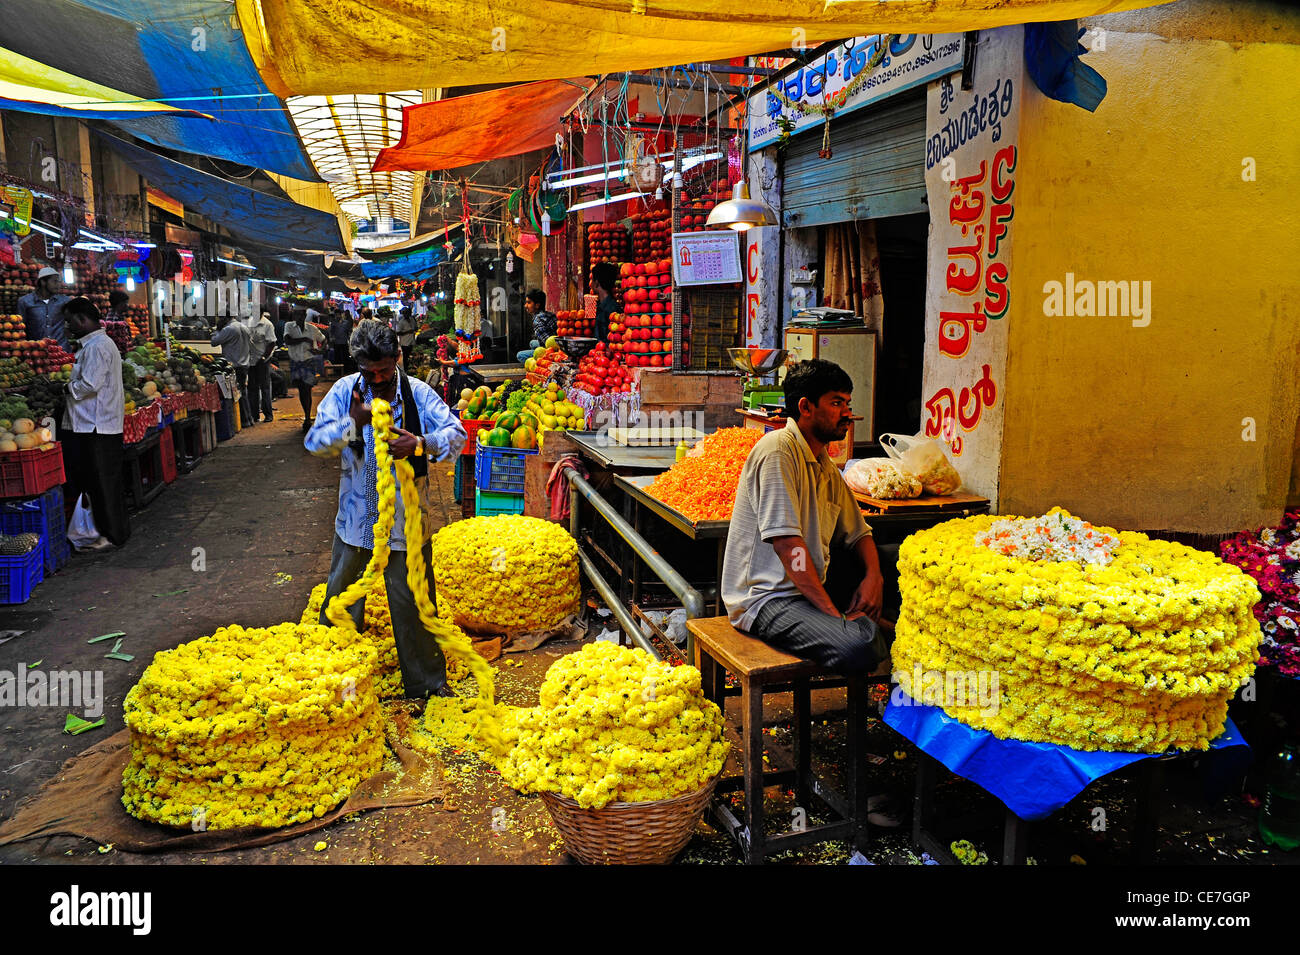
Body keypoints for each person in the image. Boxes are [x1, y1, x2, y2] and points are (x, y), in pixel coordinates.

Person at [306, 320, 467, 702]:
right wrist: (351, 424)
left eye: (384, 371)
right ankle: (332, 677)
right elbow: (314, 442)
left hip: (406, 526)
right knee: (340, 601)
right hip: (356, 523)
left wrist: (421, 442)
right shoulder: (345, 392)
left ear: (397, 358)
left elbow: (457, 435)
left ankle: (426, 683)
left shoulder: (419, 394)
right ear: (358, 364)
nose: (378, 379)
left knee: (414, 605)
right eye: (369, 372)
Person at [721, 359, 889, 673]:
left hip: (810, 586)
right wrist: (829, 613)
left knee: (896, 561)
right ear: (806, 407)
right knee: (858, 646)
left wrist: (873, 579)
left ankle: (872, 625)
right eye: (836, 403)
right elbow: (789, 547)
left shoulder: (823, 462)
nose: (847, 413)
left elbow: (859, 533)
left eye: (847, 403)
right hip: (769, 599)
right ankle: (869, 630)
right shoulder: (778, 452)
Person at [61, 298, 128, 549]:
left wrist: (66, 388)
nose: (68, 327)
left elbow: (90, 384)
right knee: (100, 481)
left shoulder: (98, 346)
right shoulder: (92, 345)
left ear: (82, 319)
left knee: (104, 482)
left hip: (98, 425)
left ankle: (111, 535)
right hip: (94, 423)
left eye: (70, 321)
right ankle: (109, 531)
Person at [283, 307, 326, 431]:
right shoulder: (289, 326)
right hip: (296, 362)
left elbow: (323, 340)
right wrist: (304, 339)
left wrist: (320, 350)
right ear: (294, 316)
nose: (299, 317)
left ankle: (307, 417)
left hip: (308, 362)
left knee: (306, 389)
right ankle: (306, 415)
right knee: (302, 390)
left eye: (301, 315)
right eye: (296, 315)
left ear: (305, 315)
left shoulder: (312, 329)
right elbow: (287, 340)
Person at [211, 314, 254, 428]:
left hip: (234, 365)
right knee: (243, 392)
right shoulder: (243, 327)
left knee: (237, 394)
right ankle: (248, 419)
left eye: (220, 318)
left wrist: (217, 330)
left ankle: (245, 420)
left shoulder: (228, 329)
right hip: (244, 364)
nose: (219, 320)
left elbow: (214, 342)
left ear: (225, 318)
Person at [18, 267, 71, 348]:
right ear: (43, 282)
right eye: (55, 281)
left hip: (61, 352)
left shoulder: (65, 301)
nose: (59, 285)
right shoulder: (25, 302)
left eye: (59, 282)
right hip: (37, 352)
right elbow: (20, 328)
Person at [247, 310, 277, 422]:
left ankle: (268, 415)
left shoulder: (267, 325)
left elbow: (272, 343)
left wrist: (264, 358)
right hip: (251, 360)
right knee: (252, 388)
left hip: (263, 360)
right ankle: (254, 415)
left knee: (265, 388)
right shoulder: (249, 322)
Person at [590, 262, 620, 344]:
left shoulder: (612, 309)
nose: (591, 283)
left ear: (596, 283)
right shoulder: (602, 305)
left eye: (592, 280)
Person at [329, 308, 354, 372]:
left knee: (345, 356)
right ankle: (337, 371)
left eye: (338, 315)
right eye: (336, 315)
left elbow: (349, 331)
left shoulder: (346, 323)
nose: (337, 316)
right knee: (337, 357)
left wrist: (350, 339)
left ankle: (346, 369)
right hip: (336, 342)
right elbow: (331, 332)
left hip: (344, 342)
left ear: (341, 315)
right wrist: (332, 338)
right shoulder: (333, 323)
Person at [394, 305, 417, 372]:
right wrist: (407, 332)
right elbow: (398, 333)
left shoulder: (412, 319)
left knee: (411, 356)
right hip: (405, 342)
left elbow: (415, 327)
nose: (407, 315)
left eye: (408, 313)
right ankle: (405, 370)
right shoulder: (401, 322)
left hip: (412, 341)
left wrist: (414, 329)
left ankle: (411, 369)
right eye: (406, 313)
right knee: (406, 357)